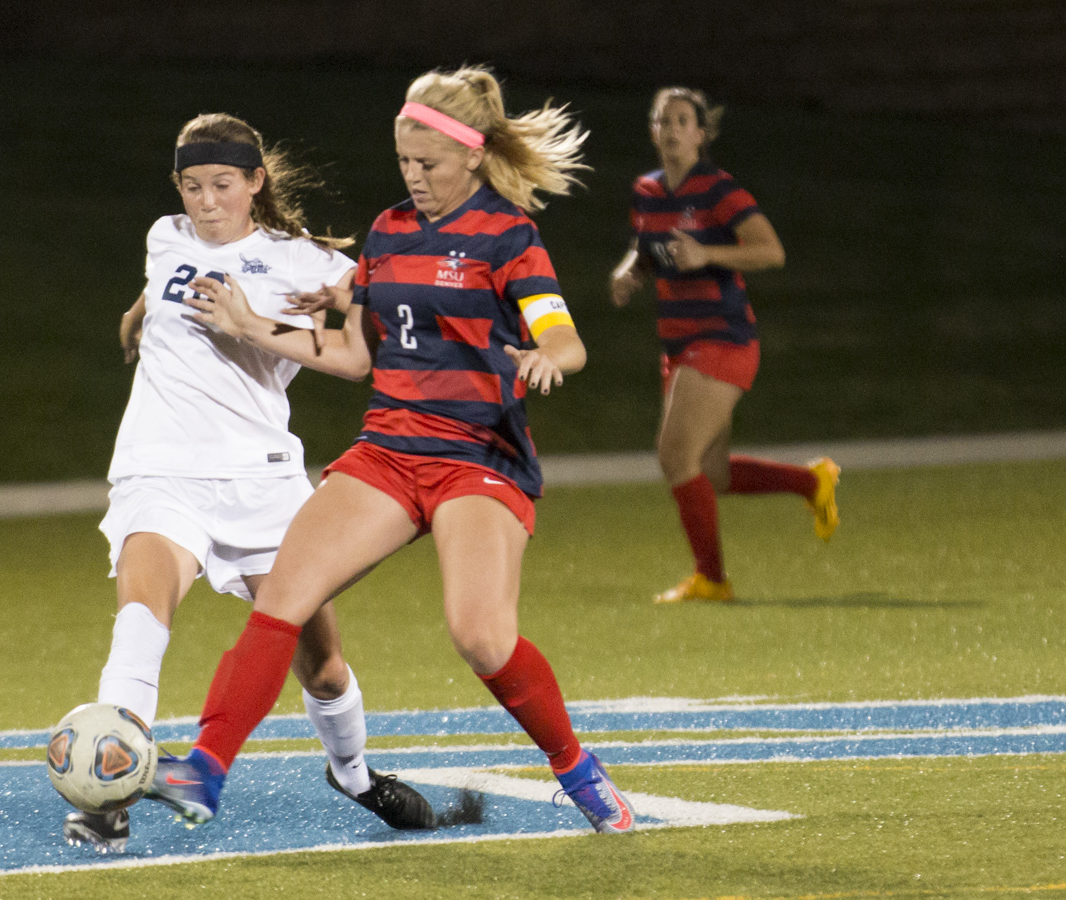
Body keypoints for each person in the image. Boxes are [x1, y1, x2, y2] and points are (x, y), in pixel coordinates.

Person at [149, 67, 635, 835]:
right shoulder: (389, 230)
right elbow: (354, 356)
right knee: (282, 598)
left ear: (472, 159)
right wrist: (260, 322)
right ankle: (203, 769)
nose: (414, 177)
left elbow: (562, 334)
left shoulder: (509, 235)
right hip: (388, 449)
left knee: (480, 636)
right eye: (404, 162)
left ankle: (577, 769)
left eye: (429, 165)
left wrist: (550, 356)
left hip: (477, 456)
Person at [68, 112, 436, 851]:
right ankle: (103, 795)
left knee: (322, 666)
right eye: (193, 185)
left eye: (223, 185)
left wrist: (254, 324)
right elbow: (163, 283)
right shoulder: (163, 235)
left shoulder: (303, 262)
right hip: (161, 469)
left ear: (255, 183)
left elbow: (359, 353)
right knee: (142, 620)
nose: (207, 202)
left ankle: (355, 774)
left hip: (262, 482)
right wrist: (140, 312)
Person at [609, 87, 840, 604]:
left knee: (674, 455)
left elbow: (771, 251)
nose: (670, 129)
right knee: (710, 472)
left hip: (722, 339)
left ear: (700, 134)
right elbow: (646, 248)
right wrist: (631, 272)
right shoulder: (647, 189)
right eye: (662, 120)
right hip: (677, 341)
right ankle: (812, 483)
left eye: (682, 121)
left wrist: (705, 253)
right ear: (652, 131)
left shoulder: (718, 190)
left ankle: (712, 580)